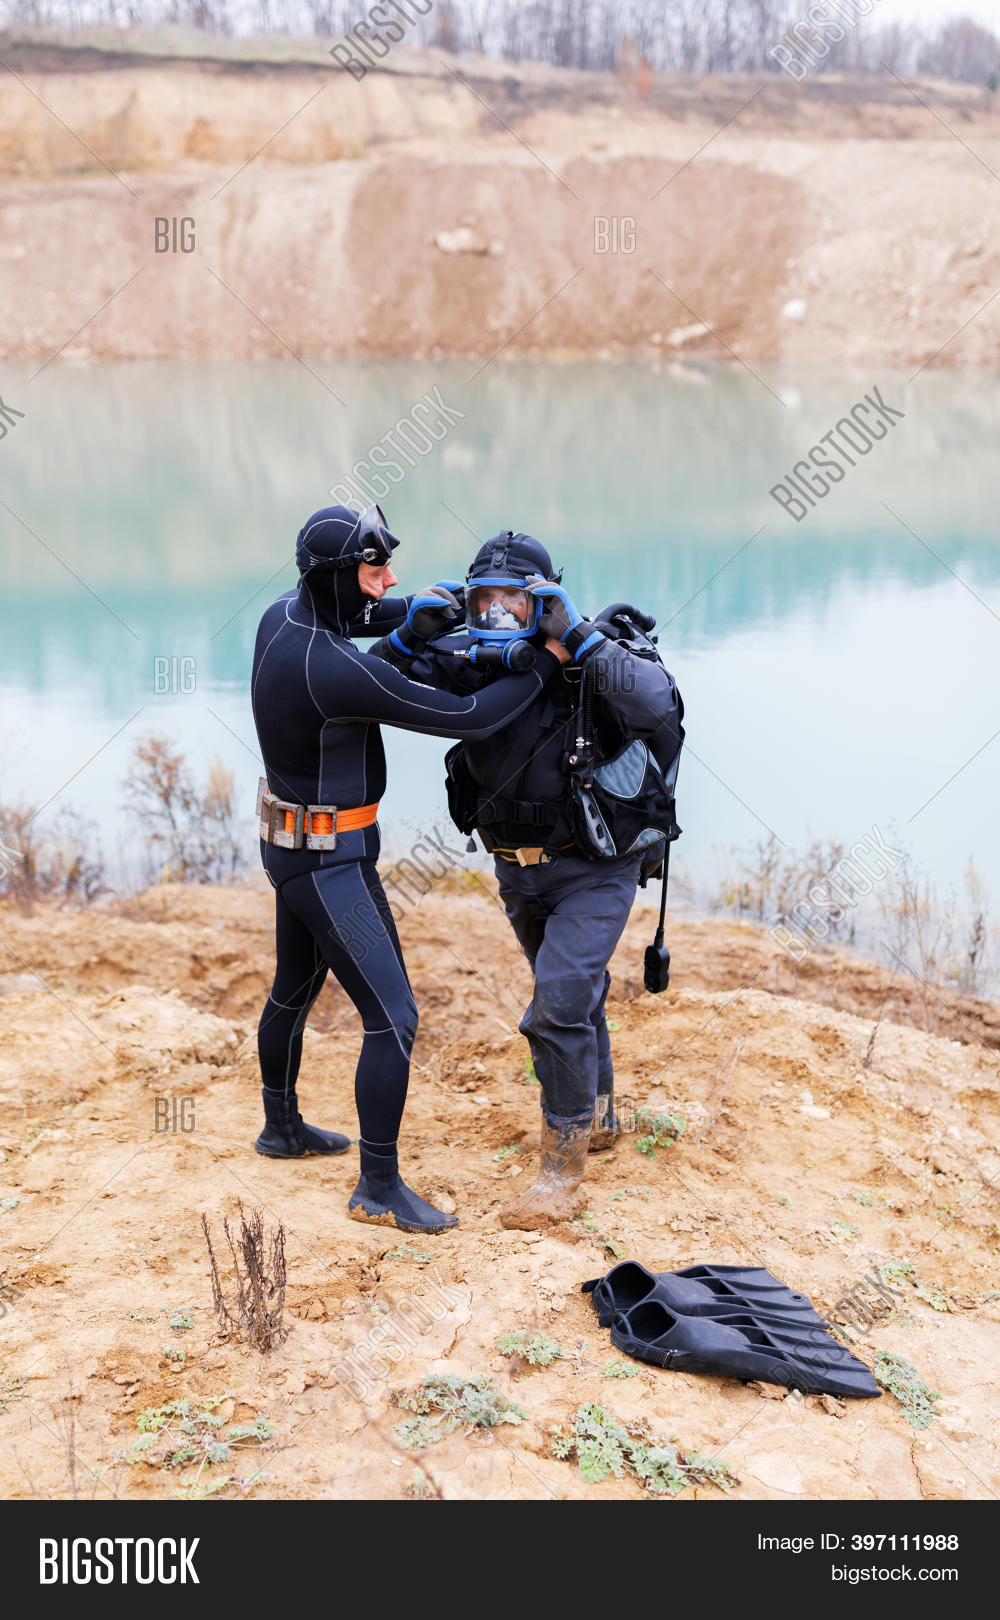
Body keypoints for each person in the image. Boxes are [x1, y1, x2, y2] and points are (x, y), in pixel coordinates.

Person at [250, 504, 565, 1235]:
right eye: (374, 571)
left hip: (288, 849)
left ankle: (281, 1128)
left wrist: (422, 613)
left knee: (292, 991)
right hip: (332, 863)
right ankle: (378, 1185)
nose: (388, 580)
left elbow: (366, 621)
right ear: (336, 577)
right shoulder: (333, 669)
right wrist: (547, 659)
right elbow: (472, 717)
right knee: (393, 1019)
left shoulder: (281, 620)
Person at [373, 530, 683, 1230]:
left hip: (596, 869)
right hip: (517, 870)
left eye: (517, 599)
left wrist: (575, 632)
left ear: (544, 597)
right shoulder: (469, 665)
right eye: (486, 599)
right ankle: (598, 1115)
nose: (500, 613)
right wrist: (410, 639)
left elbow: (657, 705)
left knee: (558, 1002)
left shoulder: (589, 657)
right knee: (575, 996)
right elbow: (376, 690)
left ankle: (561, 1172)